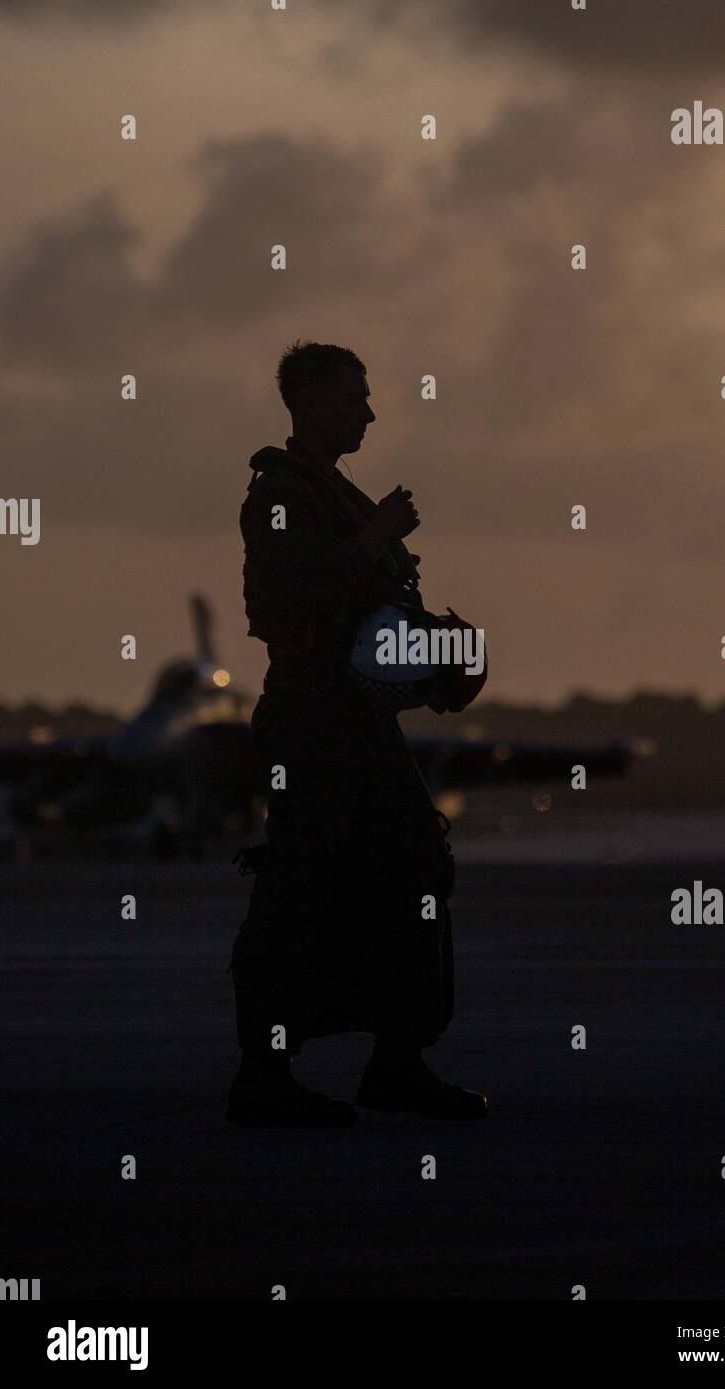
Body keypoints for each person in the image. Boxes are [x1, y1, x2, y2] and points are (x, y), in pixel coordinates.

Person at [226, 340, 487, 1126]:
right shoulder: (281, 496)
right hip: (311, 730)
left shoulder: (338, 497)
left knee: (412, 872)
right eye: (353, 399)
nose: (369, 412)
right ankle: (266, 1078)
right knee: (299, 894)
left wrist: (435, 659)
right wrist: (372, 541)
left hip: (361, 728)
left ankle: (398, 1063)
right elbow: (281, 612)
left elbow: (367, 628)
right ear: (308, 404)